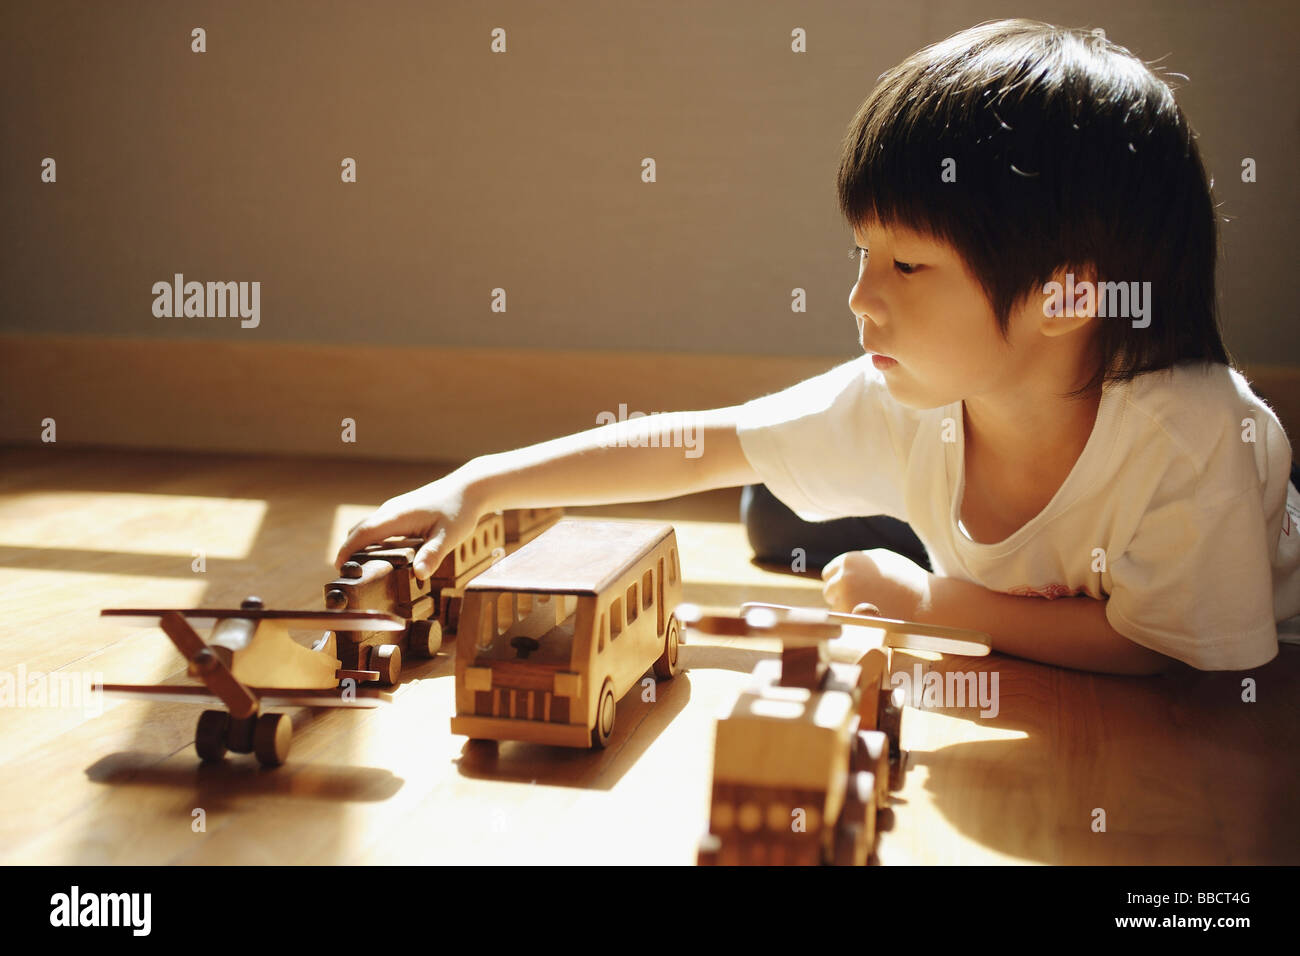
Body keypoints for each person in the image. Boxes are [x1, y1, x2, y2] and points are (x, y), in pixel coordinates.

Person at [334, 19, 1300, 675]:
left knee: (815, 523)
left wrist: (934, 603)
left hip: (1220, 600)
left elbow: (1164, 650)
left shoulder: (1190, 437)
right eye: (859, 255)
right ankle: (855, 504)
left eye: (907, 268)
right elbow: (699, 443)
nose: (859, 298)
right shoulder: (907, 396)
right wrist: (483, 482)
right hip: (953, 500)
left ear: (1069, 295)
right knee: (766, 509)